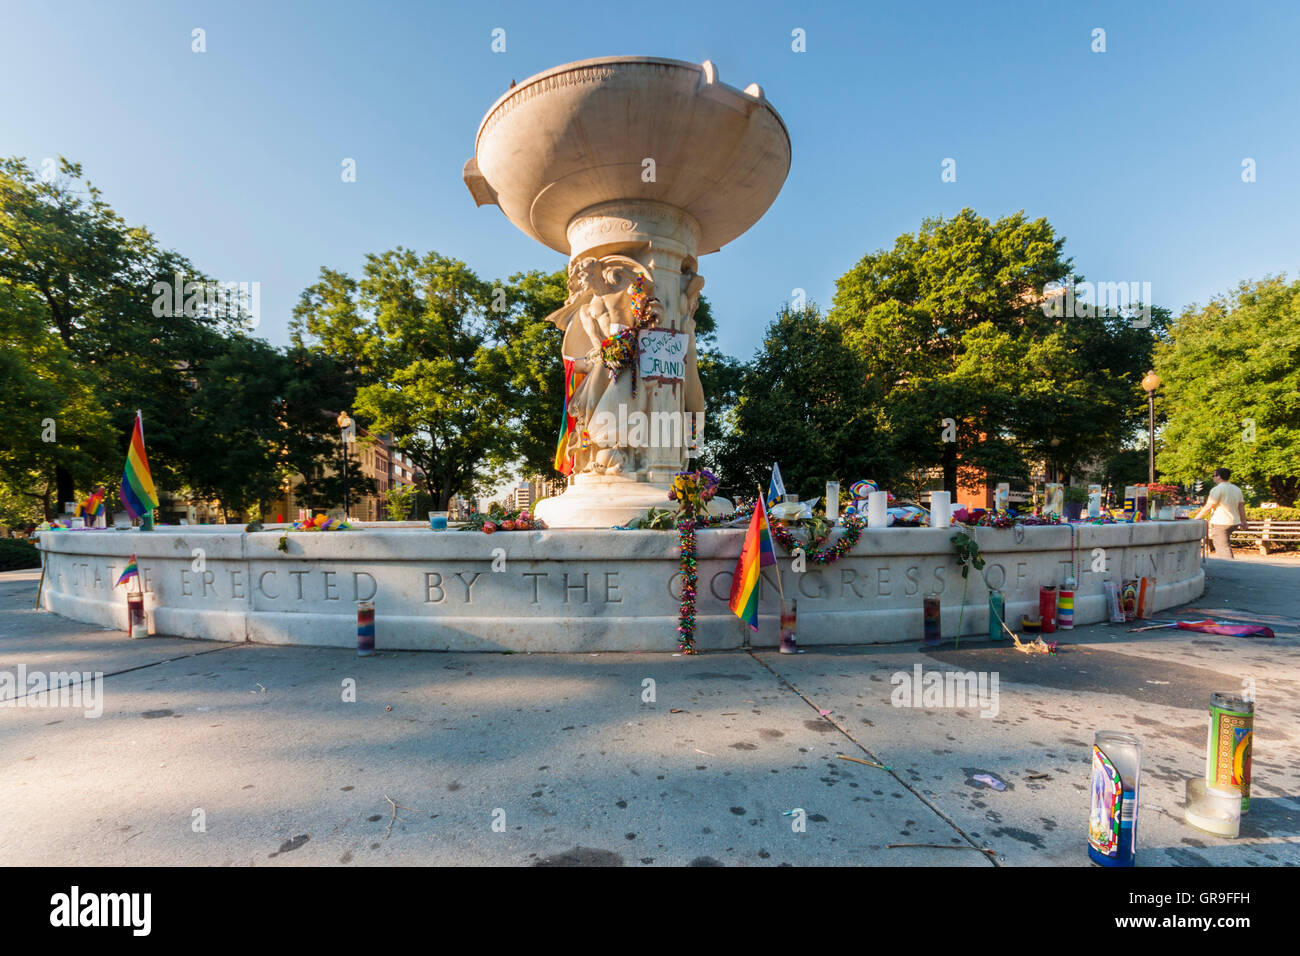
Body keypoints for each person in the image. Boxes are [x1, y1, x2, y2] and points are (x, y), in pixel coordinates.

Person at [1193, 468, 1247, 558]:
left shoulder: (1217, 489)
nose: (1213, 478)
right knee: (1225, 545)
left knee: (1223, 547)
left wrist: (1195, 518)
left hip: (1221, 522)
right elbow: (1241, 507)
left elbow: (1208, 506)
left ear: (1219, 477)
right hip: (1234, 522)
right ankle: (1229, 565)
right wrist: (1244, 521)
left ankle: (1228, 567)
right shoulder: (1237, 489)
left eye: (1213, 475)